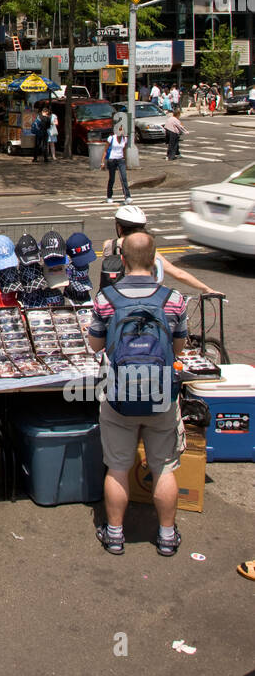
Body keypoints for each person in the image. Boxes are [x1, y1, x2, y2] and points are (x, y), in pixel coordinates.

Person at [88, 231, 188, 557]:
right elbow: (178, 346)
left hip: (119, 396)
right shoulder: (173, 299)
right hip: (161, 396)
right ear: (154, 257)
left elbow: (96, 345)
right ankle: (167, 535)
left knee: (118, 466)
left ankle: (115, 534)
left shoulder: (106, 299)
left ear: (124, 260)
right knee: (164, 467)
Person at [101, 204, 219, 295]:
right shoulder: (144, 248)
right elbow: (177, 274)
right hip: (144, 298)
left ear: (119, 226)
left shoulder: (109, 245)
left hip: (112, 298)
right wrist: (206, 288)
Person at [102, 126, 131, 204]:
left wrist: (125, 160)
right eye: (119, 131)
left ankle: (127, 196)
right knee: (112, 179)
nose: (121, 133)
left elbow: (124, 150)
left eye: (122, 131)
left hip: (120, 160)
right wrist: (102, 162)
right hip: (112, 160)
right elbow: (105, 150)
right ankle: (109, 196)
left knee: (123, 178)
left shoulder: (125, 139)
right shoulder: (111, 138)